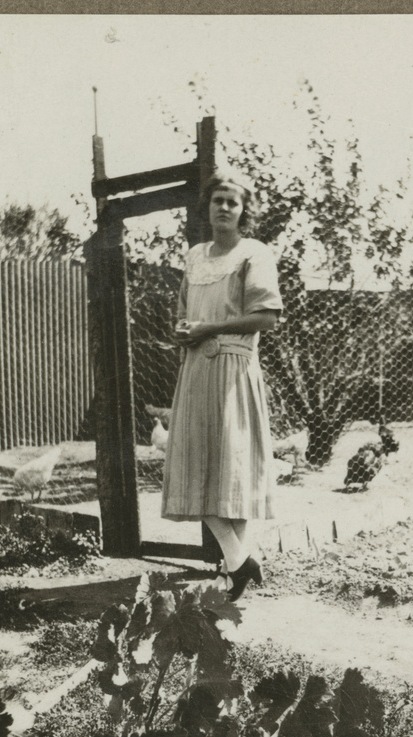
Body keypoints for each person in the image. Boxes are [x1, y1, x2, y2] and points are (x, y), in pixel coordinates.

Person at [161, 173, 282, 601]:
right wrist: (182, 331)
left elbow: (267, 318)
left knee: (233, 468)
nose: (224, 208)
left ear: (244, 210)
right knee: (195, 462)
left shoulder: (254, 253)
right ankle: (240, 562)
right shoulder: (195, 257)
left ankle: (236, 565)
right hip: (196, 367)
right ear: (207, 208)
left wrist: (208, 328)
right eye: (218, 200)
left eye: (233, 202)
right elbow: (184, 312)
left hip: (233, 367)